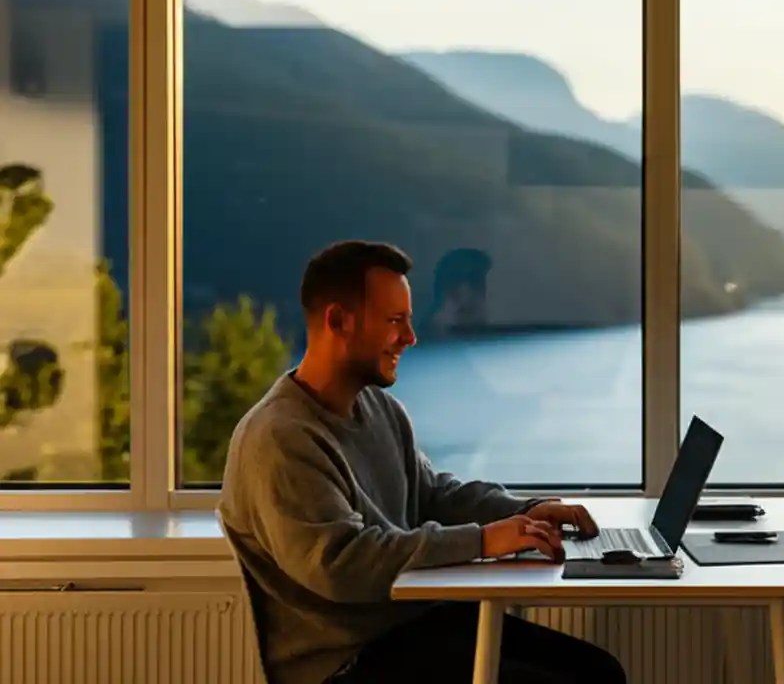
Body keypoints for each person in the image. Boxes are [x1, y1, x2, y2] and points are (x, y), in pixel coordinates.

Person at [217, 240, 626, 684]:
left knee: (600, 672)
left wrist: (525, 512)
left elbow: (432, 494)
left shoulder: (379, 408)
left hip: (407, 626)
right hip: (347, 661)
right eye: (395, 321)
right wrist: (483, 541)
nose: (411, 337)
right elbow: (341, 564)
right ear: (338, 321)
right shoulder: (279, 438)